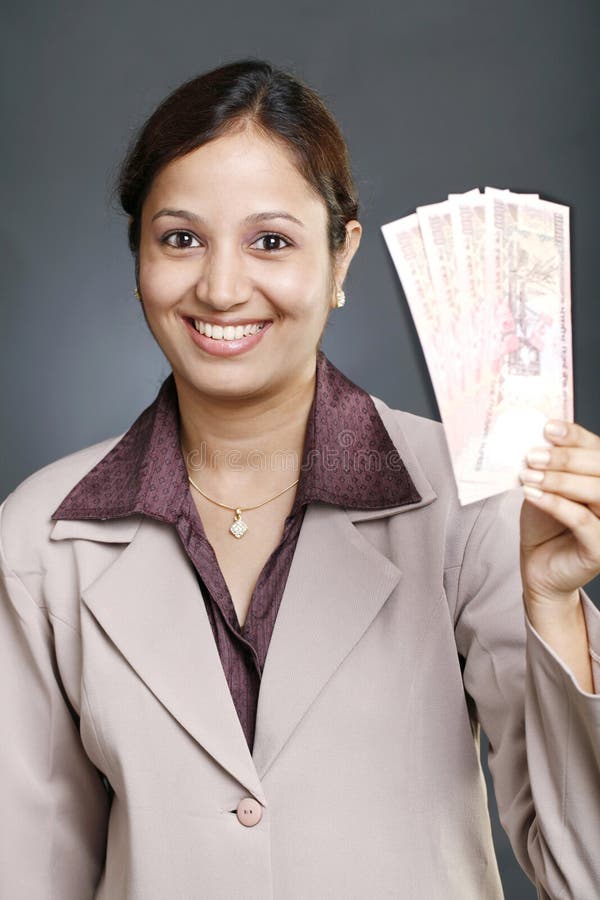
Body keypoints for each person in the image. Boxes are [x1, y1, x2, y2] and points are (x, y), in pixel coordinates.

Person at [1, 59, 599, 900]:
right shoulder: (40, 537)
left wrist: (555, 605)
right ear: (137, 256)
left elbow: (585, 874)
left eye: (271, 241)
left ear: (341, 255)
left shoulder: (474, 504)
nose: (220, 286)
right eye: (180, 238)